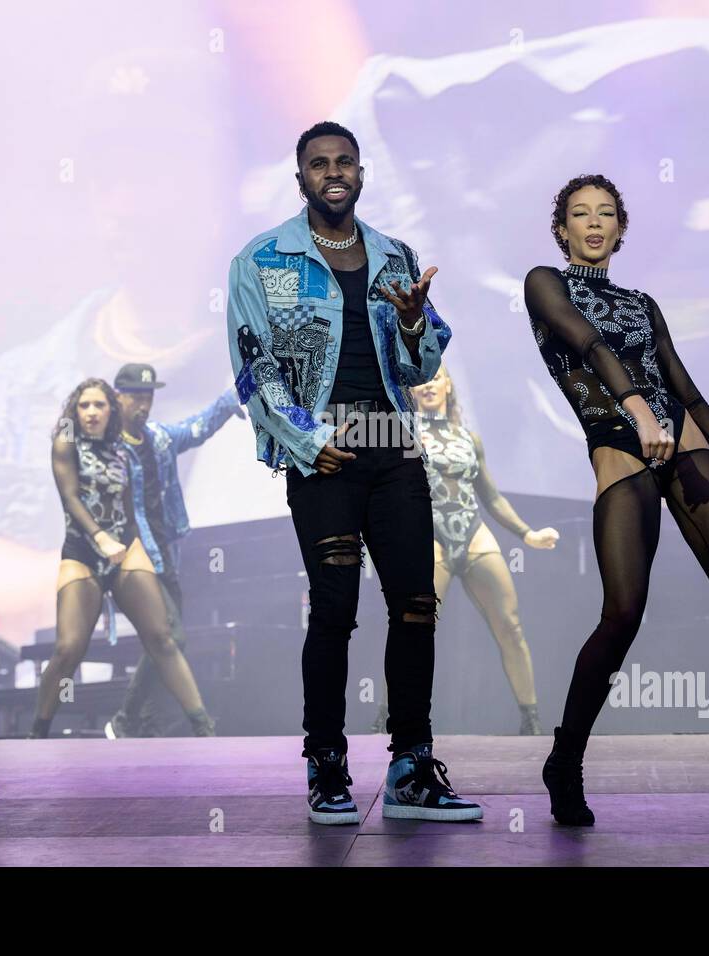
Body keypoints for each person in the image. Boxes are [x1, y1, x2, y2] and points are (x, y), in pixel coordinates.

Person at [524, 173, 709, 827]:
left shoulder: (642, 301)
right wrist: (635, 410)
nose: (594, 224)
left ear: (621, 229)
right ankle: (565, 758)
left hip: (680, 438)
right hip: (621, 442)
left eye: (606, 214)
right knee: (623, 613)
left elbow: (681, 381)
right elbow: (587, 342)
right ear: (562, 228)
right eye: (581, 214)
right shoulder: (544, 282)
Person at [226, 121, 480, 824]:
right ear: (301, 176)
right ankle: (328, 763)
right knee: (334, 610)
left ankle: (410, 765)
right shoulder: (262, 259)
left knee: (416, 606)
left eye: (344, 163)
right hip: (326, 458)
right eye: (318, 164)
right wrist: (307, 442)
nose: (332, 173)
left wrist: (409, 324)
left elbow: (422, 365)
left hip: (394, 450)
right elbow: (254, 370)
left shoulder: (396, 255)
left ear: (361, 174)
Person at [368, 363, 557, 735]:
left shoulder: (469, 438)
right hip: (427, 537)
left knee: (510, 625)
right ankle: (387, 716)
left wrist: (527, 534)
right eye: (420, 381)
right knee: (412, 628)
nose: (428, 386)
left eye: (435, 378)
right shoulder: (402, 433)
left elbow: (492, 497)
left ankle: (531, 718)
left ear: (448, 384)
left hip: (473, 534)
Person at [31, 378, 214, 738]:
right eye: (84, 406)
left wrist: (135, 546)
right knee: (69, 648)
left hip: (124, 548)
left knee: (162, 638)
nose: (91, 412)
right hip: (84, 552)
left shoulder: (119, 448)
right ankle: (38, 731)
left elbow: (129, 506)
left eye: (99, 405)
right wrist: (100, 538)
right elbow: (71, 500)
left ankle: (203, 726)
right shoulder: (65, 443)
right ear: (75, 410)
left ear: (110, 410)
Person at [104, 363, 242, 738]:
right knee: (170, 637)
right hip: (133, 561)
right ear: (118, 398)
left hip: (165, 555)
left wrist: (231, 399)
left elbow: (197, 428)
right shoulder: (106, 449)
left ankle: (134, 720)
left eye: (148, 396)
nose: (143, 404)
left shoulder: (160, 439)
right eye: (135, 395)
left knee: (161, 640)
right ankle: (185, 723)